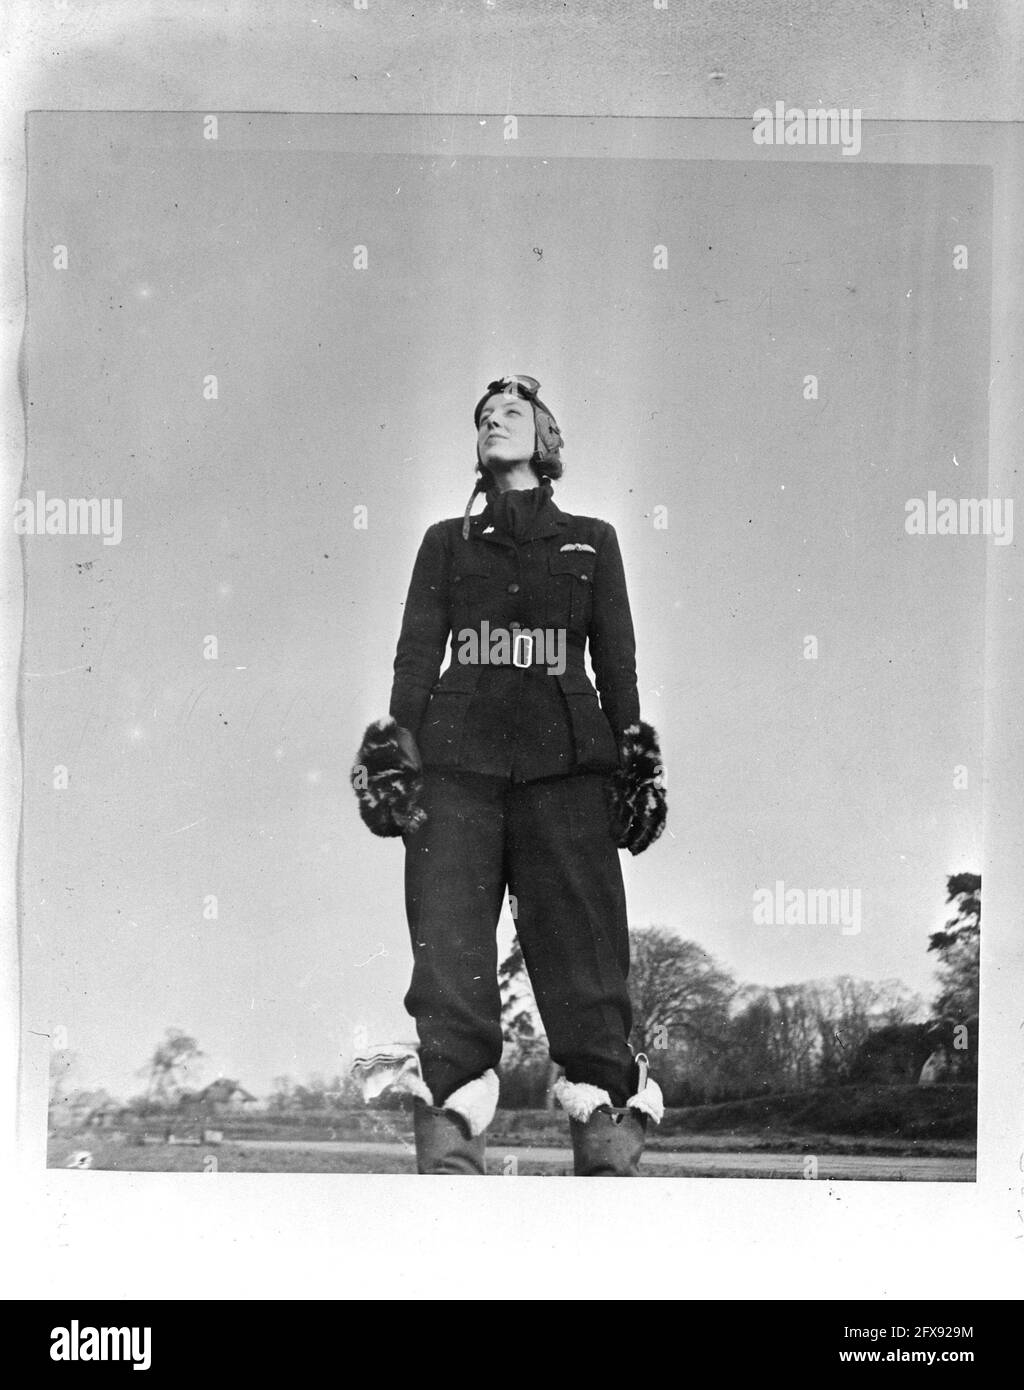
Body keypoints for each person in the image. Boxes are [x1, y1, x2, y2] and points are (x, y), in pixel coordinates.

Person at [352, 375, 667, 1175]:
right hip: (456, 768)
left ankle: (606, 1146)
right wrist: (398, 752)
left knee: (586, 957)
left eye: (511, 414)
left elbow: (616, 657)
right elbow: (417, 654)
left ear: (544, 436)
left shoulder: (592, 539)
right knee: (450, 951)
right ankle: (451, 1152)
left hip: (570, 766)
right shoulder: (444, 542)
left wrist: (634, 758)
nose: (494, 422)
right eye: (484, 418)